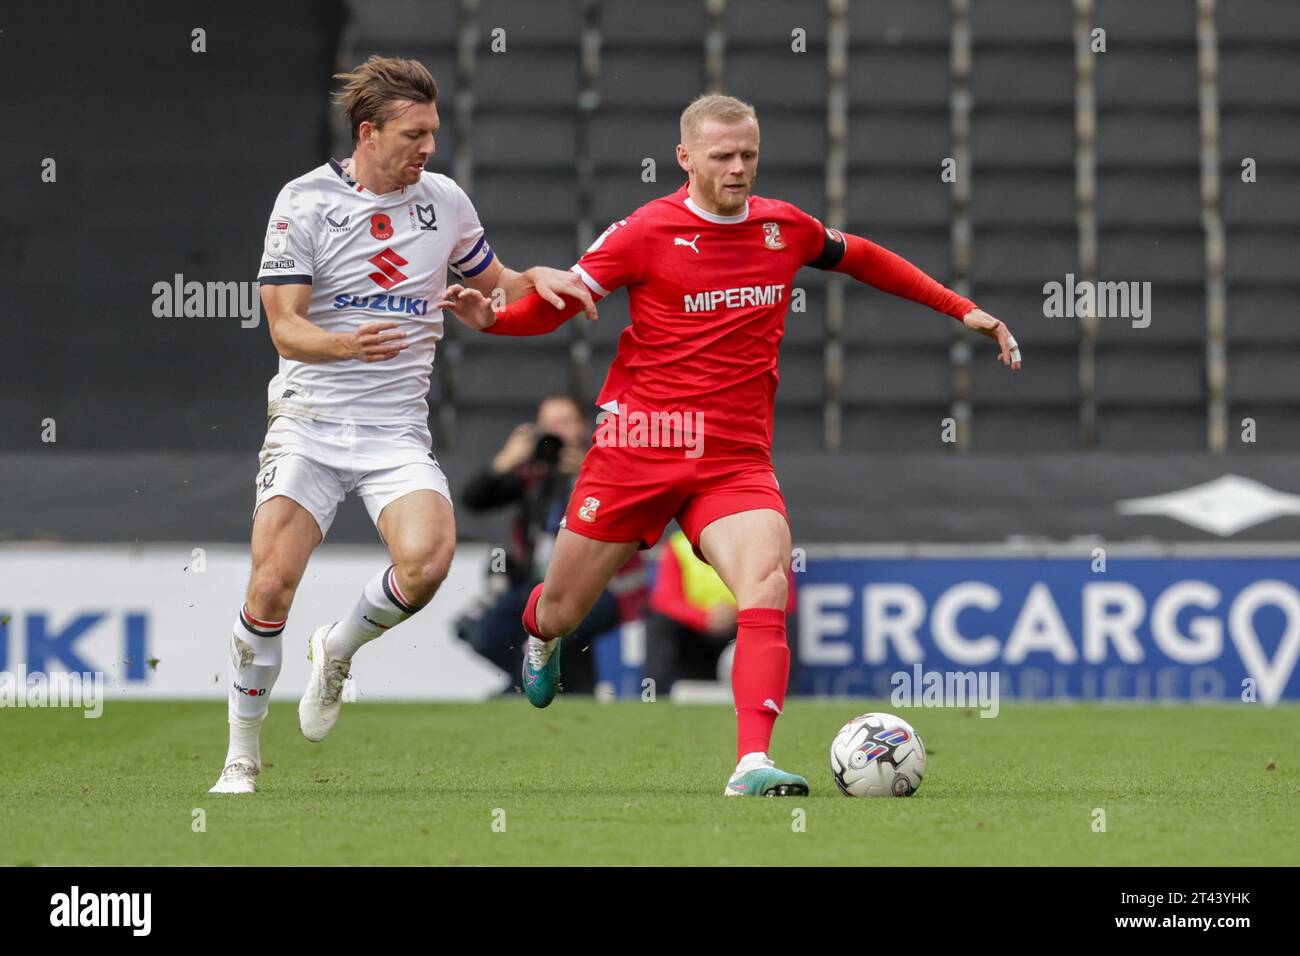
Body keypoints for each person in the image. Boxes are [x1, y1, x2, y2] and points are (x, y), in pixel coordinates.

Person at [439, 93, 1022, 797]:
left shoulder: (784, 228)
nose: (739, 167)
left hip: (733, 459)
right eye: (723, 155)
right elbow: (554, 304)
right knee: (563, 606)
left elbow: (863, 257)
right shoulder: (643, 232)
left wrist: (962, 308)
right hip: (637, 448)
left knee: (765, 585)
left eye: (749, 153)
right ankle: (541, 633)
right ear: (686, 157)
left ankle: (751, 762)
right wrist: (492, 320)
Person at [209, 55, 596, 794]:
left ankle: (340, 648)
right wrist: (347, 342)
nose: (428, 147)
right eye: (414, 134)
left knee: (429, 563)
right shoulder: (305, 202)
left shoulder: (444, 201)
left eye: (434, 132)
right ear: (368, 133)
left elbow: (497, 285)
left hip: (393, 432)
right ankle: (241, 756)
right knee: (269, 590)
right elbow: (286, 331)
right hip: (310, 422)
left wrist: (529, 283)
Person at [457, 394, 622, 693]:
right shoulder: (532, 476)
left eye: (565, 423)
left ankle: (522, 690)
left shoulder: (603, 464)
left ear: (583, 427)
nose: (557, 432)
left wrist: (589, 473)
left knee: (568, 627)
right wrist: (505, 461)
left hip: (591, 587)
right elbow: (473, 500)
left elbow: (627, 511)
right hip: (534, 586)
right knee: (480, 632)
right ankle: (539, 687)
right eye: (549, 425)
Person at [646, 529, 795, 696]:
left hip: (745, 627)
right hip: (695, 633)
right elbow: (665, 600)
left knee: (781, 621)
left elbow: (784, 598)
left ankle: (781, 697)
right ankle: (656, 697)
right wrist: (705, 618)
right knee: (660, 622)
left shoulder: (764, 541)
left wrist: (735, 615)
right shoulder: (678, 545)